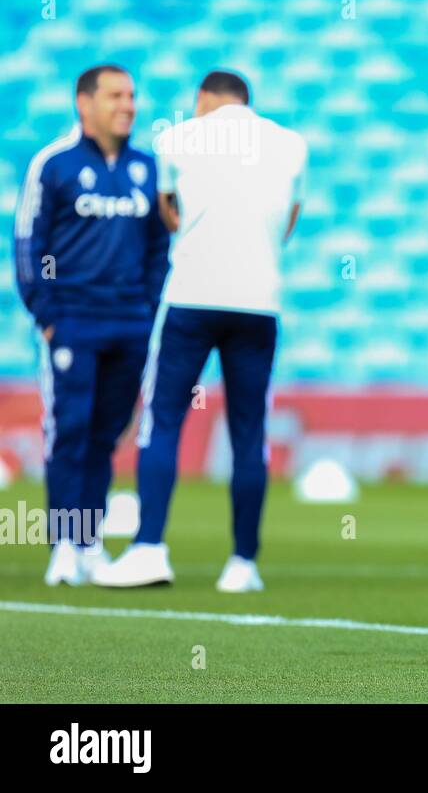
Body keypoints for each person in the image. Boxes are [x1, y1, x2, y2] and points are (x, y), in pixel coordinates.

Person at [91, 71, 306, 593]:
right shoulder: (291, 144)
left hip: (191, 296)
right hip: (258, 301)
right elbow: (289, 219)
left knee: (162, 422)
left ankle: (149, 548)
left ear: (204, 98)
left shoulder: (176, 138)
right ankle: (243, 564)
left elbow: (169, 212)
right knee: (249, 432)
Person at [13, 64, 170, 586]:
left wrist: (146, 307)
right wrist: (48, 315)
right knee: (70, 432)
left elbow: (158, 247)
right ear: (84, 103)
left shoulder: (146, 167)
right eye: (115, 95)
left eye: (131, 95)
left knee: (106, 436)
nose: (128, 105)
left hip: (129, 324)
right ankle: (63, 544)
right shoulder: (54, 164)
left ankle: (89, 540)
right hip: (72, 322)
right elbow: (28, 244)